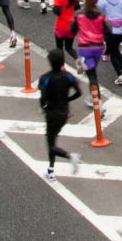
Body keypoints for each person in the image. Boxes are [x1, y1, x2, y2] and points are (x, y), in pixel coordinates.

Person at [36, 48, 84, 180]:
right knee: (52, 140)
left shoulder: (45, 78)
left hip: (52, 114)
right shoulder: (68, 76)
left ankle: (70, 156)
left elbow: (43, 97)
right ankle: (50, 170)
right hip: (64, 113)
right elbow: (79, 92)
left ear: (50, 62)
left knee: (51, 144)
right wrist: (67, 100)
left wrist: (43, 107)